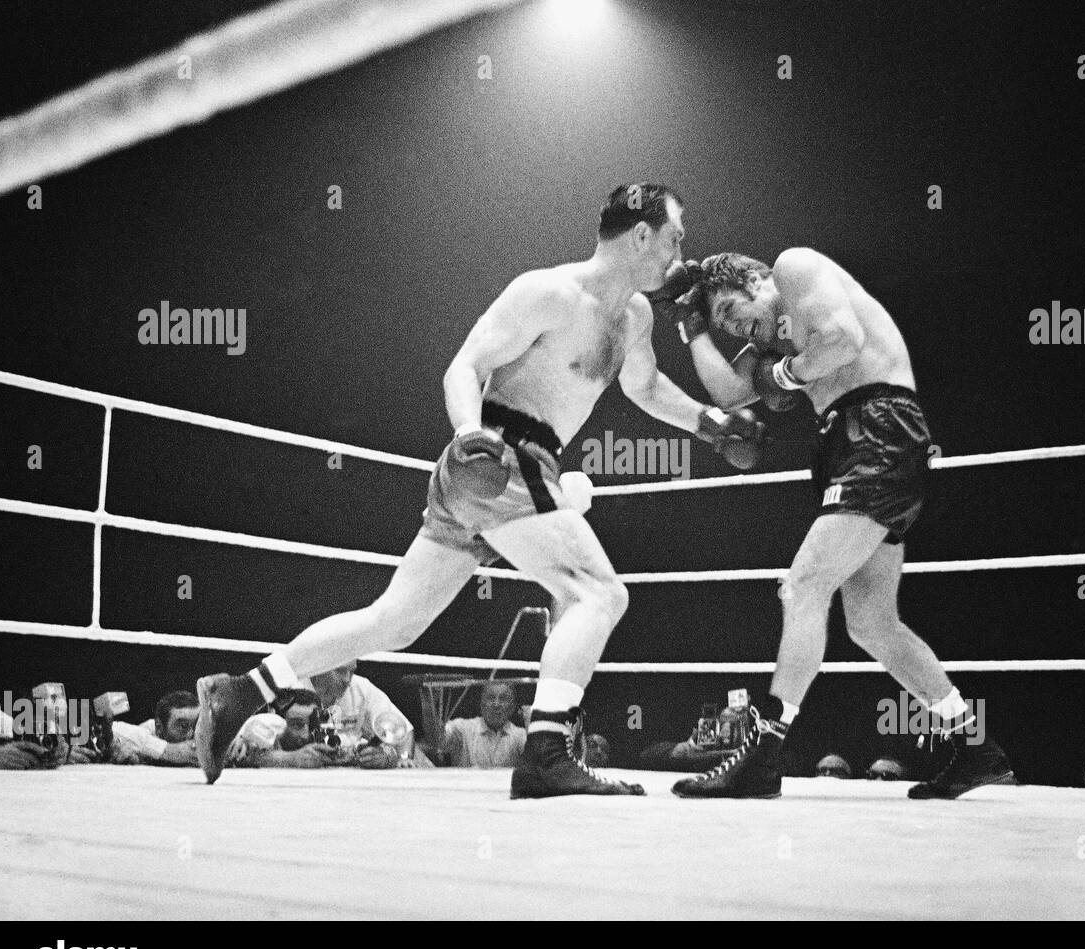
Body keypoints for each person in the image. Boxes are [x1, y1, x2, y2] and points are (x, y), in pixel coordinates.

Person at [194, 183, 766, 797]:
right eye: (676, 237)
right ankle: (546, 750)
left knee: (396, 621)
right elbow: (464, 366)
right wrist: (470, 436)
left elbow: (647, 390)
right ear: (642, 234)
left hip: (516, 471)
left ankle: (243, 690)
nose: (682, 253)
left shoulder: (636, 316)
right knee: (600, 593)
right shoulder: (546, 292)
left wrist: (709, 424)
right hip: (500, 457)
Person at [654, 249, 1016, 799]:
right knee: (871, 623)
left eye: (731, 309)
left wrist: (785, 373)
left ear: (756, 279)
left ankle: (764, 753)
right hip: (849, 444)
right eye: (725, 324)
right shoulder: (770, 337)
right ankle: (975, 748)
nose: (735, 326)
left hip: (878, 428)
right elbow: (729, 394)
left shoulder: (795, 269)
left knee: (803, 586)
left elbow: (843, 339)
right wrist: (695, 328)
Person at [425, 680, 525, 768]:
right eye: (491, 698)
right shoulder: (463, 729)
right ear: (481, 703)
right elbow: (436, 740)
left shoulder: (520, 735)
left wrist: (530, 721)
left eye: (503, 698)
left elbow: (536, 761)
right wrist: (428, 707)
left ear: (512, 707)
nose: (496, 704)